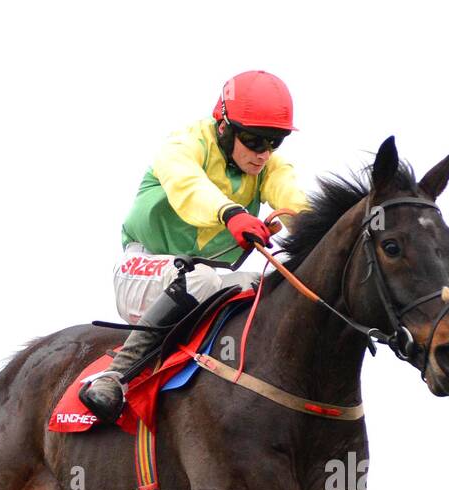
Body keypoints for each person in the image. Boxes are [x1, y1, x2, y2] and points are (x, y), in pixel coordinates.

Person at [80, 70, 312, 422]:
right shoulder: (183, 145)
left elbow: (295, 201)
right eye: (254, 139)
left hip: (207, 280)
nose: (264, 153)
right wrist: (232, 214)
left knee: (269, 286)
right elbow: (188, 187)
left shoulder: (268, 166)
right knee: (200, 279)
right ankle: (115, 376)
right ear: (225, 127)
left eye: (274, 141)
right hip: (142, 268)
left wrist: (323, 234)